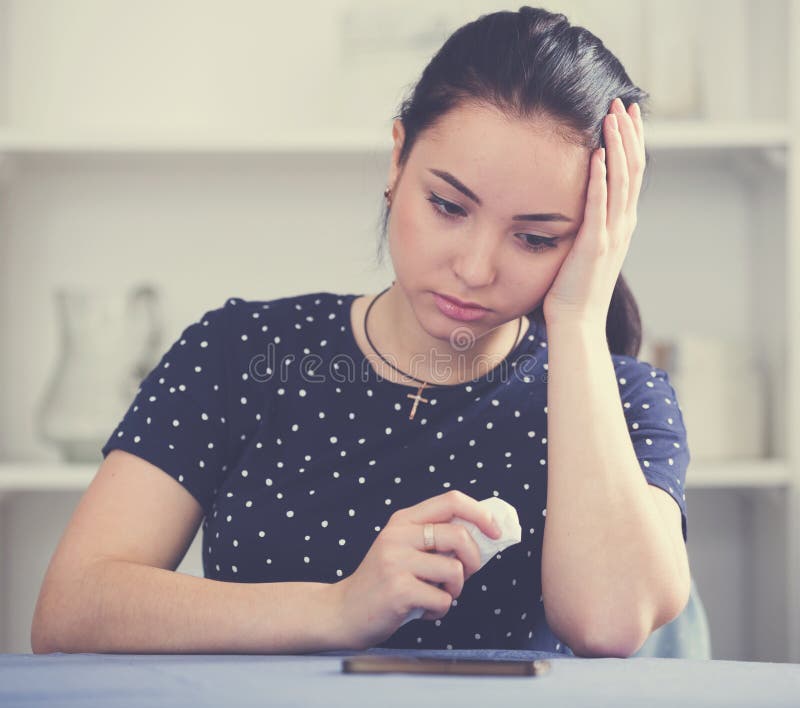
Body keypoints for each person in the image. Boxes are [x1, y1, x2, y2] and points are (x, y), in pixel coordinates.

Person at [31, 6, 691, 658]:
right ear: (397, 159)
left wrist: (577, 320)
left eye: (536, 237)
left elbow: (609, 624)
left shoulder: (625, 399)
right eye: (447, 206)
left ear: (592, 238)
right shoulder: (240, 351)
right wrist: (340, 607)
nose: (474, 267)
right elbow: (72, 607)